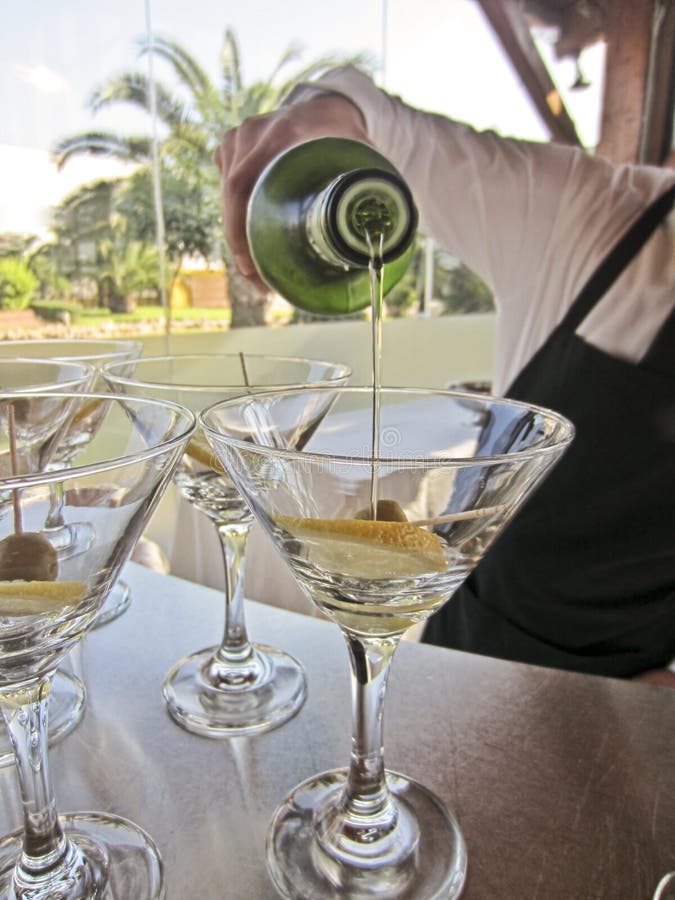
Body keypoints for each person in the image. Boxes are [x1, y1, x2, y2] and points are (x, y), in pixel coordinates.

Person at [216, 65, 675, 683]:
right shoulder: (594, 212)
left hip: (638, 698)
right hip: (465, 647)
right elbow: (393, 131)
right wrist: (328, 114)